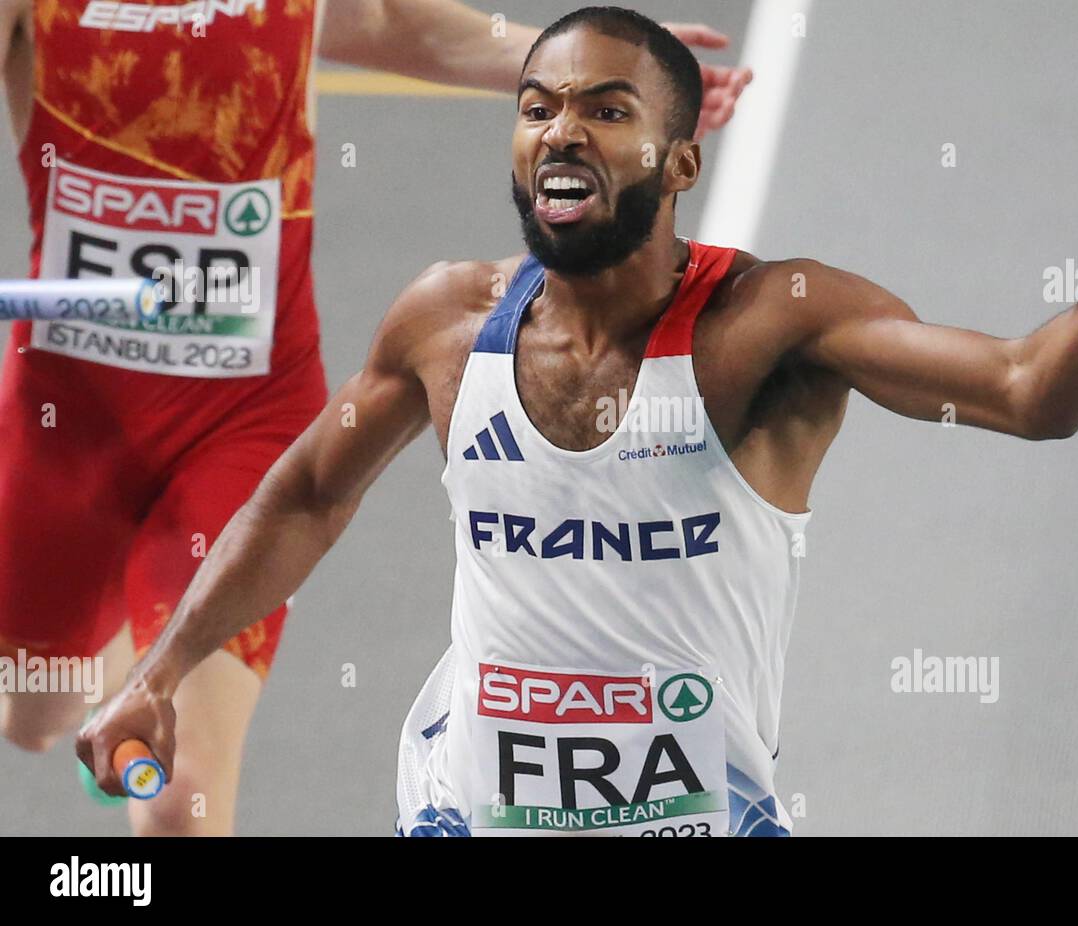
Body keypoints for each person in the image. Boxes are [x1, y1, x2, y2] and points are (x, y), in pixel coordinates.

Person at [78, 6, 1078, 836]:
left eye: (606, 111)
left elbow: (1025, 390)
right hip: (464, 814)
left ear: (679, 161)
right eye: (538, 107)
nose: (560, 131)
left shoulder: (771, 326)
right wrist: (159, 670)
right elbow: (311, 495)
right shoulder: (444, 321)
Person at [0, 0, 750, 836]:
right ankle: (134, 654)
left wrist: (626, 75)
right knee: (33, 712)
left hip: (242, 414)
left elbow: (400, 27)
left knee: (180, 805)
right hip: (68, 420)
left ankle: (162, 651)